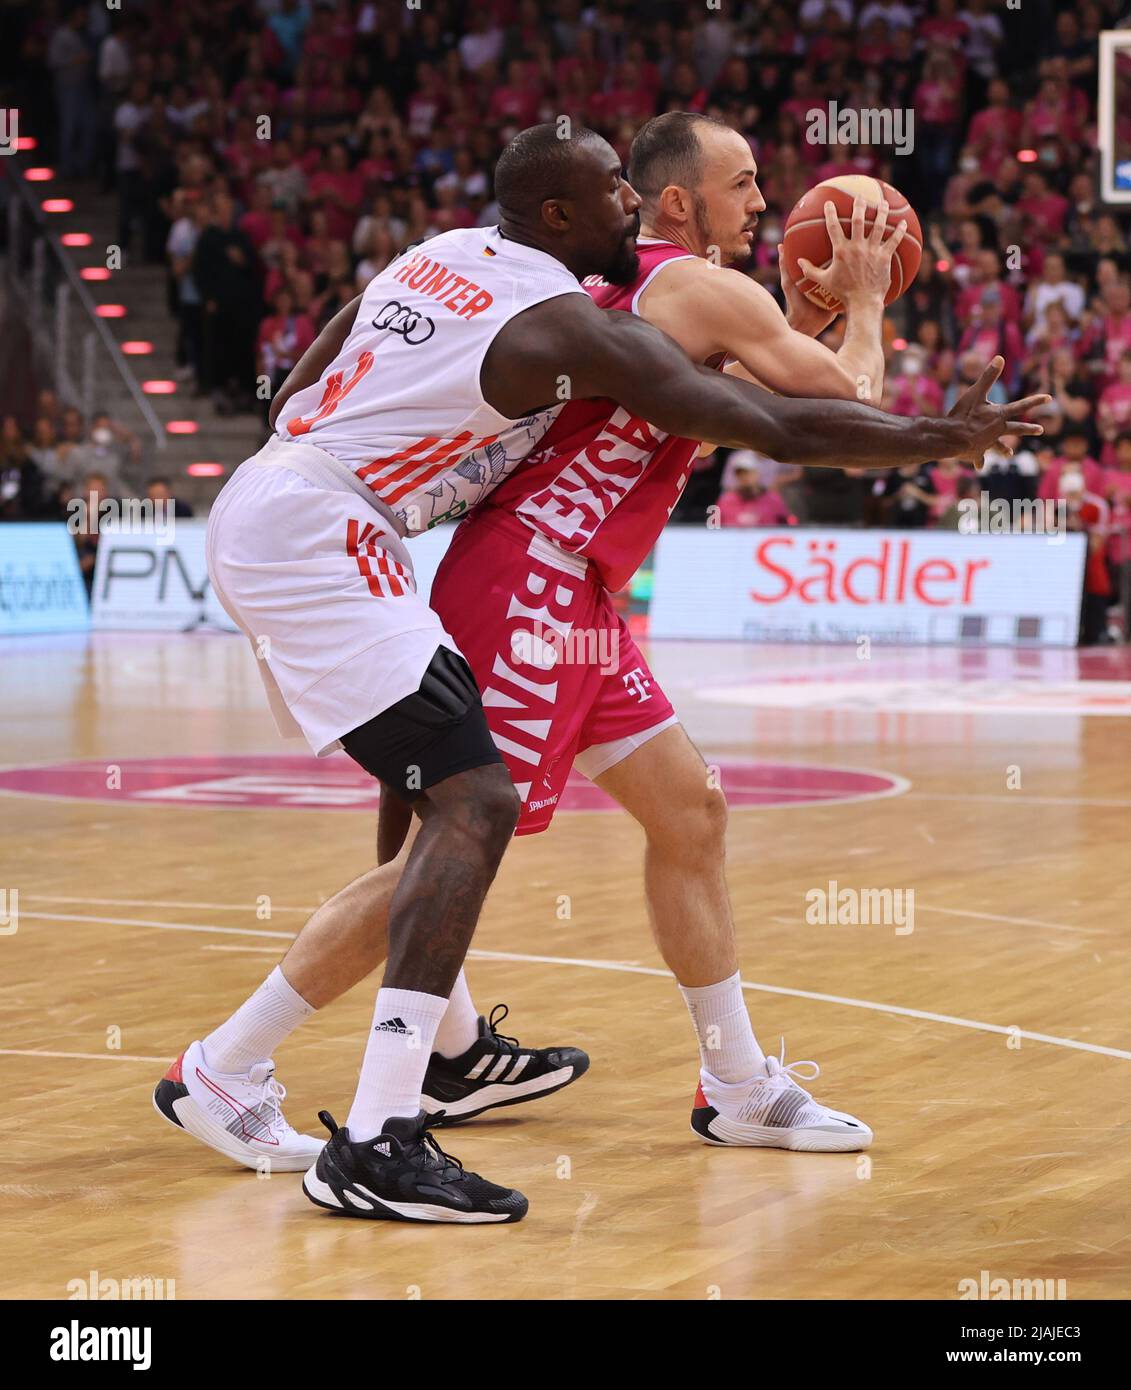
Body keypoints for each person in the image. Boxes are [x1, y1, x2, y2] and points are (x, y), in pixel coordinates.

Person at [161, 123, 1043, 1226]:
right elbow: (805, 412)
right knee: (465, 822)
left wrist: (289, 417)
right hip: (527, 575)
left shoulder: (560, 277)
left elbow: (715, 403)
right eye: (743, 182)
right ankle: (254, 1066)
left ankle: (731, 1084)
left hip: (568, 587)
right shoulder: (669, 288)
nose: (768, 199)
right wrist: (868, 314)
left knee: (689, 811)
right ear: (672, 208)